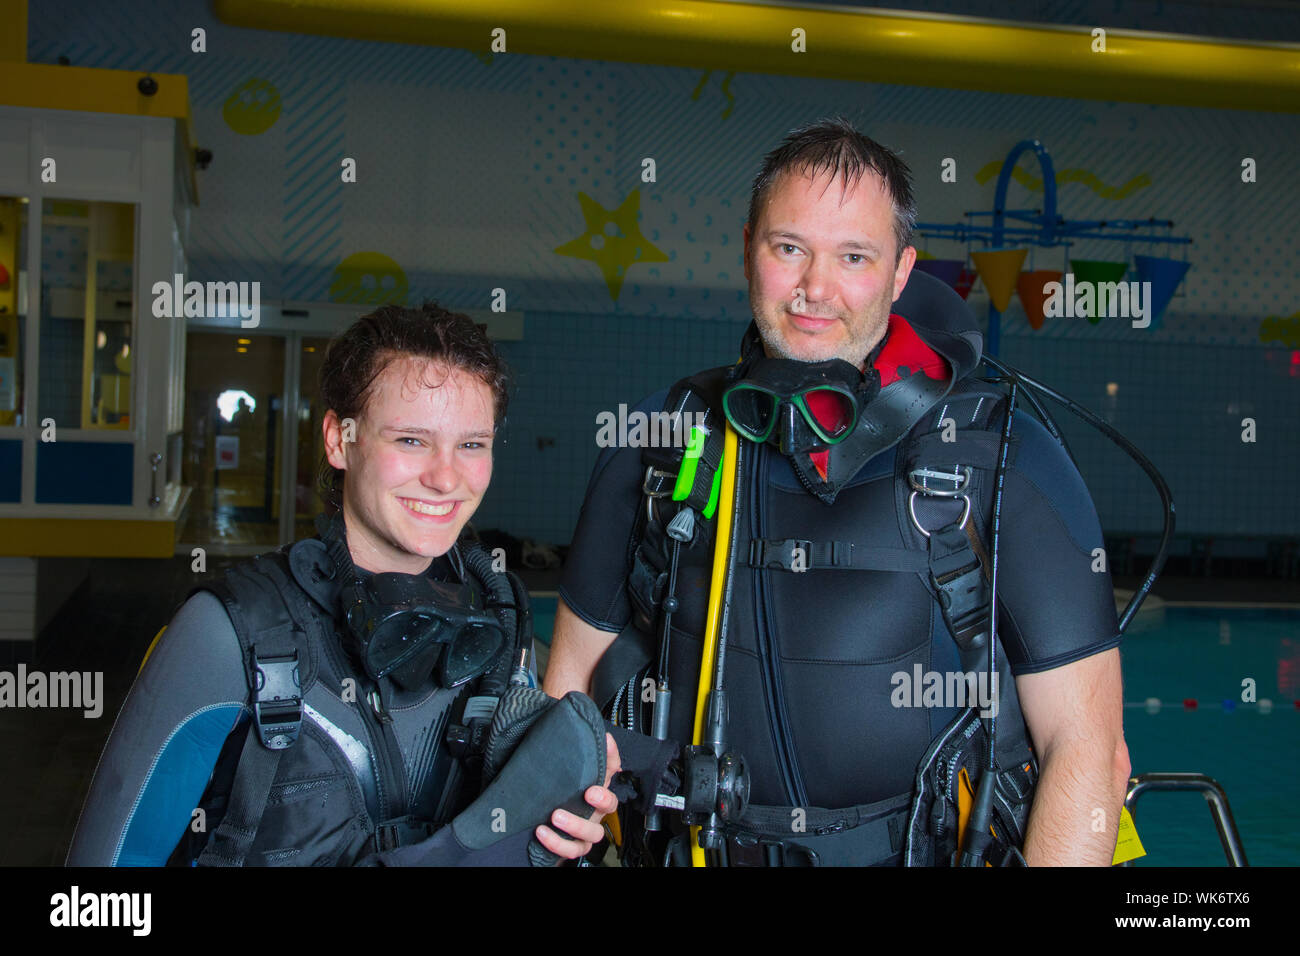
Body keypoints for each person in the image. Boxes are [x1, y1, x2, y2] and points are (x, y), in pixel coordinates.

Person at [545, 118, 1131, 866]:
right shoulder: (662, 442)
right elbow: (568, 694)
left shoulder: (998, 458)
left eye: (853, 257)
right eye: (789, 248)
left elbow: (1088, 751)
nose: (815, 289)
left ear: (899, 272)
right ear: (748, 245)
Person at [68, 302, 618, 867]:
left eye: (471, 444)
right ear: (339, 439)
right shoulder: (230, 632)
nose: (446, 476)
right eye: (410, 440)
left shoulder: (499, 621)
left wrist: (552, 827)